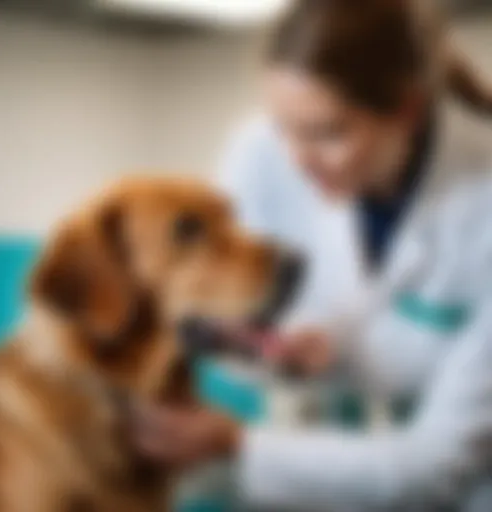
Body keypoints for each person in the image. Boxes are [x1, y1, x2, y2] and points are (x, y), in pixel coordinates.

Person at [135, 1, 492, 510]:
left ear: (408, 110)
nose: (298, 159)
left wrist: (236, 444)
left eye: (329, 133)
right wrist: (281, 354)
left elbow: (437, 464)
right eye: (283, 127)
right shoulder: (259, 152)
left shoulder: (483, 202)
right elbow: (230, 319)